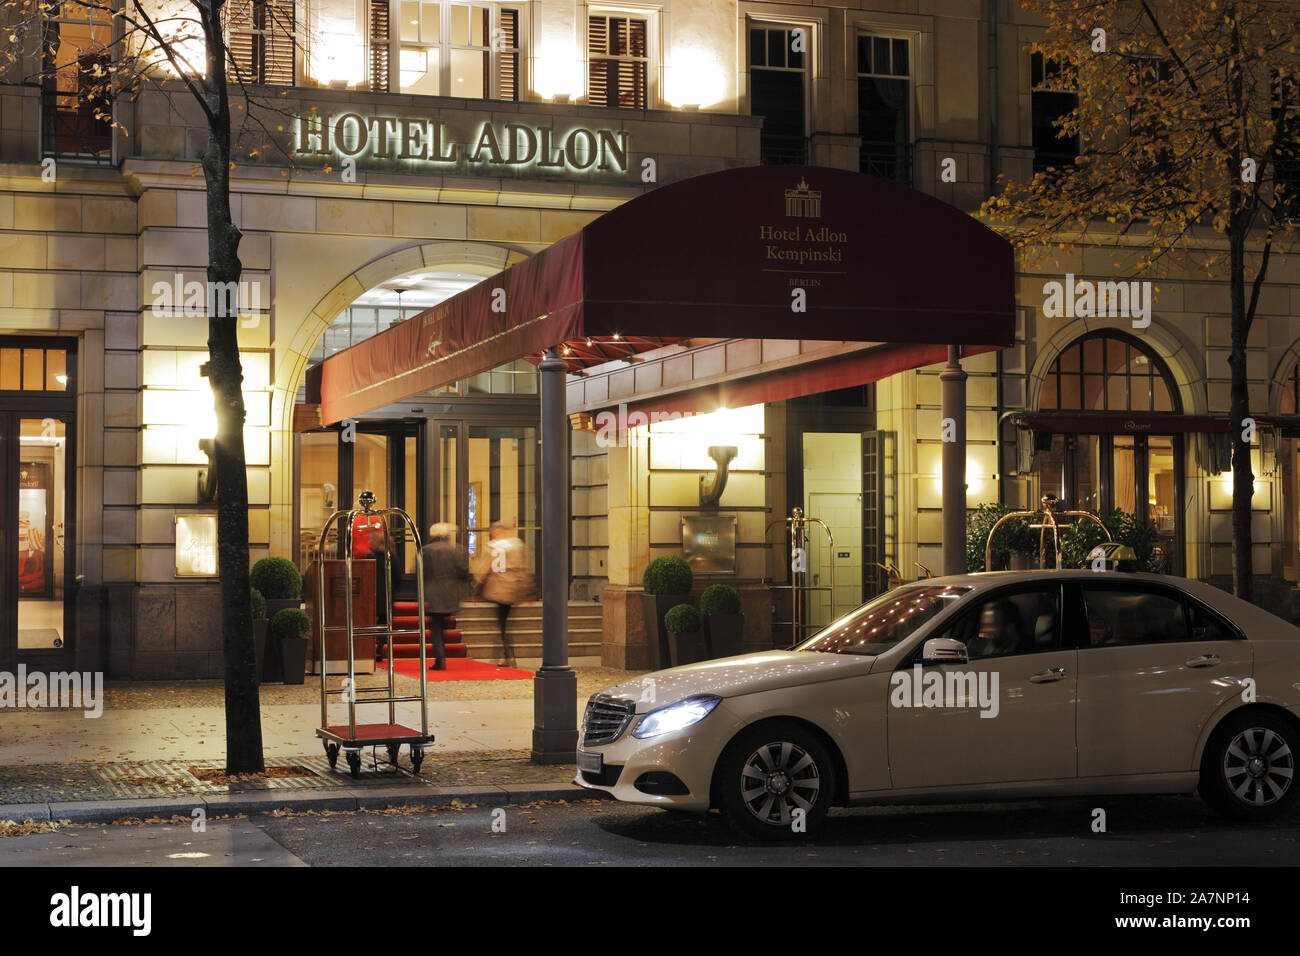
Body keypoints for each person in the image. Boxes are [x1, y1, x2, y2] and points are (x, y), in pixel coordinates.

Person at [471, 521, 534, 668]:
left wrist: (477, 589)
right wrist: (527, 591)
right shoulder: (517, 545)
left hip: (497, 589)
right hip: (512, 589)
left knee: (502, 625)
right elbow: (522, 569)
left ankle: (509, 656)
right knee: (504, 623)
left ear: (495, 532)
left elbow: (484, 569)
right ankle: (507, 655)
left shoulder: (492, 547)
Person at [420, 523, 469, 671]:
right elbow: (463, 571)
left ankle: (440, 659)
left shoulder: (426, 551)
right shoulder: (456, 550)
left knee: (435, 628)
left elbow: (420, 573)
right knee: (441, 626)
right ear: (446, 535)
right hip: (450, 594)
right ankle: (441, 656)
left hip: (433, 594)